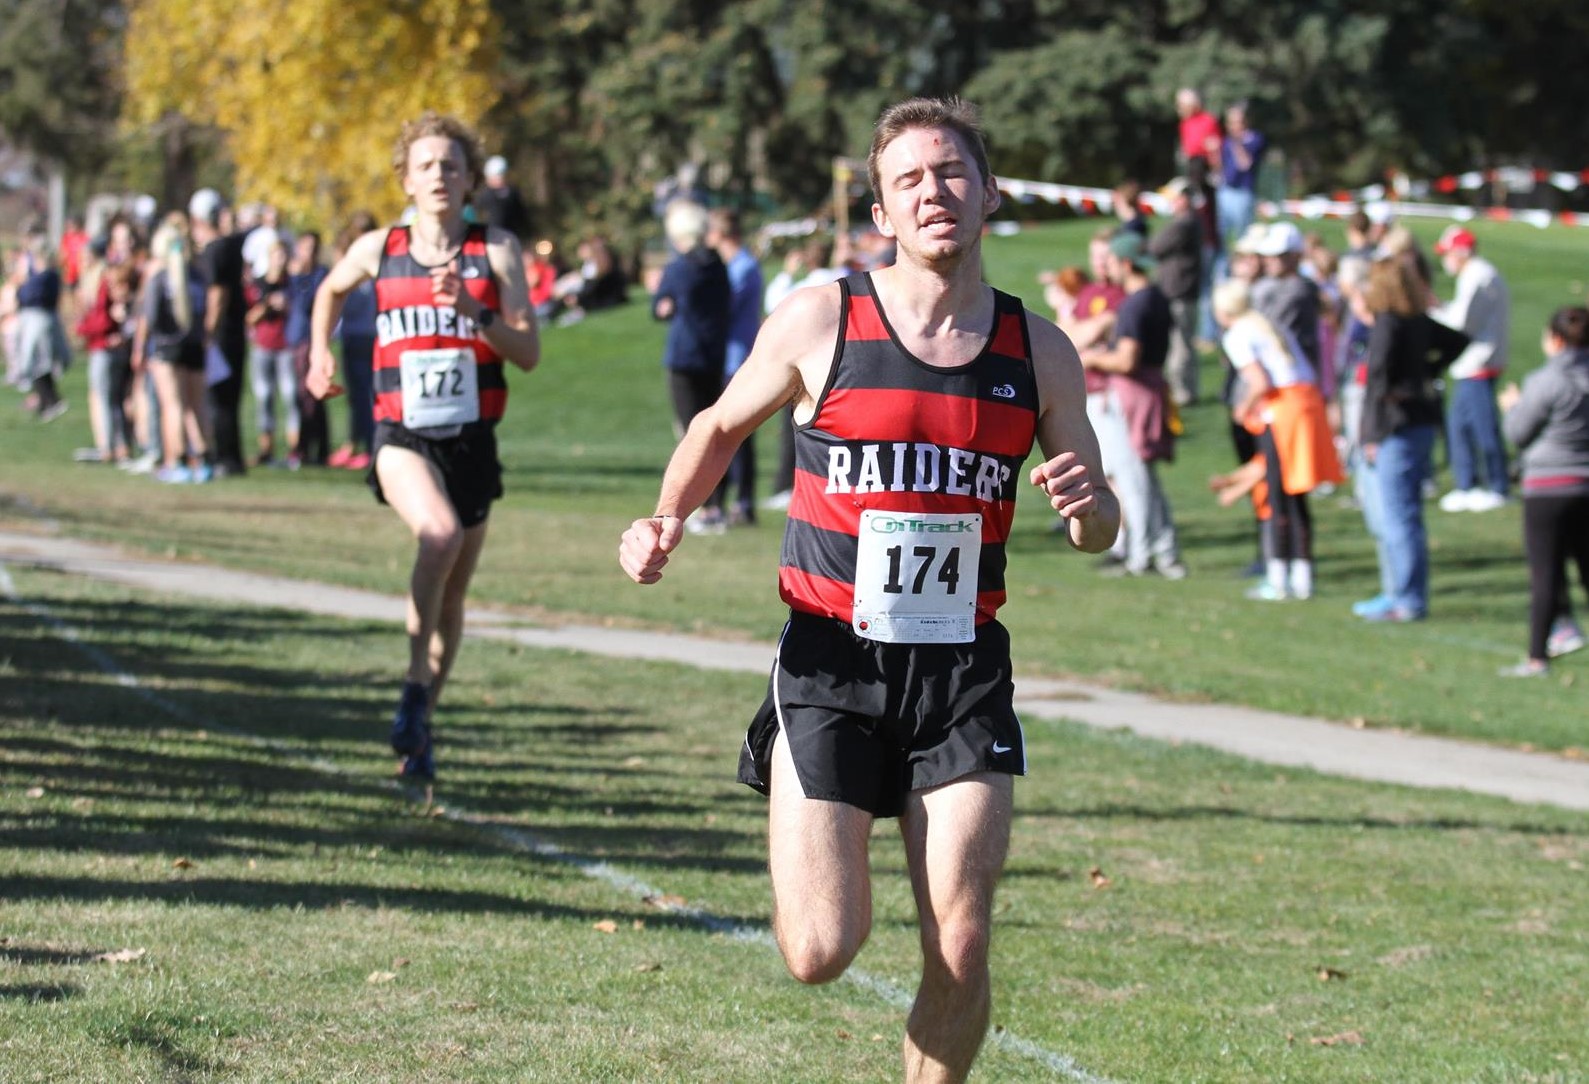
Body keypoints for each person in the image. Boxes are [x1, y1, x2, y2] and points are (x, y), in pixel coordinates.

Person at [620, 98, 1118, 1083]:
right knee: (819, 950)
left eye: (951, 173)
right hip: (830, 661)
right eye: (909, 180)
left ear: (986, 195)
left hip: (962, 671)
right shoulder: (822, 318)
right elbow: (719, 426)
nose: (933, 192)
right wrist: (664, 518)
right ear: (882, 212)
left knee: (962, 942)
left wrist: (1087, 502)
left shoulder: (1038, 350)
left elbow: (1097, 524)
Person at [306, 111, 540, 784]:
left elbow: (526, 353)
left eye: (452, 164)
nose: (440, 174)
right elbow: (327, 290)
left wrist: (476, 312)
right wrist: (317, 353)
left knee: (453, 598)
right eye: (427, 165)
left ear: (469, 178)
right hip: (400, 433)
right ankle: (413, 685)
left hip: (471, 442)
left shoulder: (494, 251)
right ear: (405, 178)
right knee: (436, 538)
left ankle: (419, 726)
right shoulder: (380, 247)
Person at [1354, 256, 1469, 622]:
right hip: (1418, 424)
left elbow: (1377, 382)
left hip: (1394, 427)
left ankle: (1406, 598)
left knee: (1397, 516)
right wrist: (1426, 374)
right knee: (1407, 515)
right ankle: (1399, 592)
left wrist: (1370, 433)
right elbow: (1457, 342)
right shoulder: (1417, 321)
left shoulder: (1389, 324)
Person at [1212, 280, 1342, 600]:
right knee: (1295, 494)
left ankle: (1279, 576)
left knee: (1276, 493)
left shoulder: (1238, 333)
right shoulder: (1266, 322)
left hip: (1283, 410)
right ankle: (1301, 576)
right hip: (1305, 403)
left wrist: (1243, 409)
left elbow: (1259, 380)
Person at [1081, 231, 1185, 579]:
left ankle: (1140, 556)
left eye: (1111, 261)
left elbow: (1127, 360)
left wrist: (1094, 358)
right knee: (1144, 479)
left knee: (1132, 480)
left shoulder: (1135, 303)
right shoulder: (1156, 297)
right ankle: (1164, 550)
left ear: (1126, 263)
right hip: (1152, 390)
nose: (1107, 268)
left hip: (1133, 395)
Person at [1496, 306, 1589, 676]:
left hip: (1548, 487)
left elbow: (1518, 433)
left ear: (1556, 339)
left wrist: (1511, 407)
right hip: (1585, 484)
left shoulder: (1546, 381)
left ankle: (1538, 656)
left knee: (1545, 574)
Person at [651, 201, 731, 532]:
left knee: (689, 434)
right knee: (715, 431)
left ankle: (697, 506)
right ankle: (718, 504)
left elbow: (659, 308)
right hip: (714, 356)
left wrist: (664, 306)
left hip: (685, 358)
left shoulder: (678, 268)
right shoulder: (718, 265)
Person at [1432, 226, 1511, 513]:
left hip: (1479, 362)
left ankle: (1497, 485)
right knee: (1460, 427)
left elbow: (1461, 323)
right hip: (1473, 364)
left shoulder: (1478, 276)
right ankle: (1468, 484)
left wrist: (1434, 312)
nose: (1446, 260)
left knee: (1482, 429)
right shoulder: (1476, 274)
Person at [133, 214, 212, 484]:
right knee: (197, 405)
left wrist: (145, 345)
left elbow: (151, 317)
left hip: (167, 349)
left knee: (173, 406)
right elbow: (205, 314)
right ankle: (202, 458)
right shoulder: (198, 277)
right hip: (195, 346)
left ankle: (175, 460)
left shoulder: (160, 278)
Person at [708, 208, 764, 524]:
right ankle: (737, 501)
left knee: (737, 434)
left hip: (737, 358)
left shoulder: (741, 267)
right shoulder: (740, 265)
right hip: (731, 356)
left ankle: (743, 503)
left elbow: (725, 309)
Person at [189, 188, 250, 476]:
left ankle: (226, 457)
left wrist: (208, 330)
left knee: (219, 397)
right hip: (234, 330)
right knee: (228, 397)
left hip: (224, 333)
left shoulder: (216, 250)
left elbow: (218, 293)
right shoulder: (230, 246)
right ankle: (232, 456)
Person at [329, 211, 381, 471]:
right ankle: (357, 444)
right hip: (369, 335)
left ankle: (371, 446)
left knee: (363, 396)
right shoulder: (383, 260)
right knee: (364, 395)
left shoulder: (362, 265)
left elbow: (349, 304)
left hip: (361, 336)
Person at [1148, 177, 1204, 406]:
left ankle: (1183, 392)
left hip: (1179, 291)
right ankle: (1187, 389)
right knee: (1185, 342)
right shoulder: (1190, 221)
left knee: (1180, 343)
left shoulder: (1183, 224)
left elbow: (1155, 246)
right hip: (1183, 290)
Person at [244, 238, 297, 466]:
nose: (280, 260)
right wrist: (266, 305)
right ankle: (267, 448)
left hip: (286, 346)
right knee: (264, 396)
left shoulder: (293, 284)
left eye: (283, 255)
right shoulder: (258, 285)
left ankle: (295, 449)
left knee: (290, 395)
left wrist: (288, 306)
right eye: (276, 255)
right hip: (263, 347)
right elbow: (249, 319)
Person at [1216, 103, 1264, 259]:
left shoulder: (1254, 139)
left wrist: (1237, 142)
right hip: (1225, 190)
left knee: (1243, 237)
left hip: (1242, 193)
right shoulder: (1226, 142)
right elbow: (1220, 166)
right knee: (1220, 236)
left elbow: (1245, 164)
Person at [474, 155, 532, 240]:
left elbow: (522, 219)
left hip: (511, 238)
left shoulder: (513, 194)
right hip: (490, 239)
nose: (500, 178)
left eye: (502, 175)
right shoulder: (483, 196)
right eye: (497, 175)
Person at [1174, 88, 1221, 174]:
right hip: (1190, 162)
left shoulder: (1208, 120)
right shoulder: (1184, 123)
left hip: (1204, 162)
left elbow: (1215, 144)